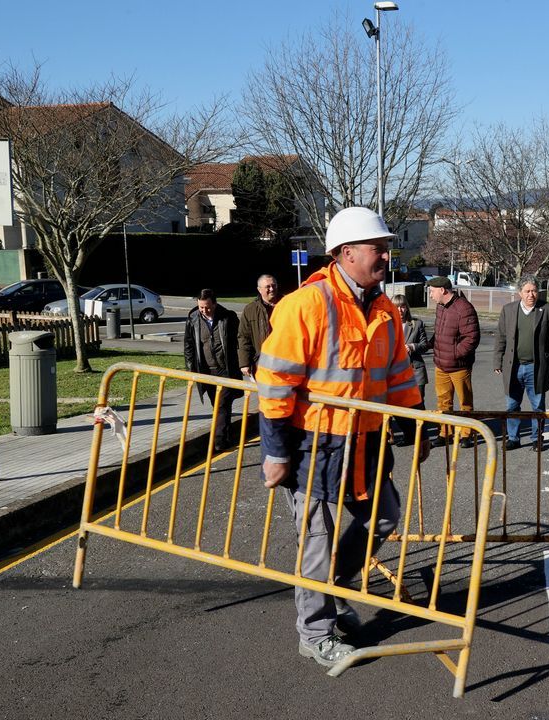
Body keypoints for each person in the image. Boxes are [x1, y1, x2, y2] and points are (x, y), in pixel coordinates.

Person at [256, 206, 428, 670]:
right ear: (346, 252)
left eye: (387, 248)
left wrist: (417, 428)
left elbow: (399, 378)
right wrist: (275, 452)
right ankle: (315, 634)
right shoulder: (306, 305)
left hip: (366, 444)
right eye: (378, 248)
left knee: (385, 515)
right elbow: (275, 384)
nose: (386, 256)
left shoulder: (385, 309)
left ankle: (331, 591)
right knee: (317, 541)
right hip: (314, 446)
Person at [494, 278, 549, 451]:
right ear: (520, 293)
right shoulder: (509, 310)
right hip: (513, 367)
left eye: (534, 291)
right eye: (527, 291)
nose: (531, 295)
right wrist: (497, 361)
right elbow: (501, 338)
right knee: (512, 405)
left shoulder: (547, 309)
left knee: (538, 406)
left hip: (536, 367)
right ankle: (513, 438)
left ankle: (537, 438)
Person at [182, 289, 242, 451]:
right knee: (217, 405)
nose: (204, 310)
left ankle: (218, 442)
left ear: (215, 304)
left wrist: (244, 362)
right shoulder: (193, 319)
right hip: (206, 371)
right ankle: (226, 436)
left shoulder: (228, 317)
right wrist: (191, 370)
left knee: (222, 404)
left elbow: (241, 339)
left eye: (207, 307)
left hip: (226, 369)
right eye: (201, 307)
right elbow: (188, 346)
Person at [426, 276, 480, 448]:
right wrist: (430, 345)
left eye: (432, 291)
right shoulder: (440, 307)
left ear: (442, 290)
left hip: (459, 366)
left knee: (465, 402)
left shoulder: (464, 308)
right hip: (440, 365)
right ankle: (445, 433)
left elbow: (471, 338)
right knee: (443, 401)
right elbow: (439, 333)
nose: (430, 295)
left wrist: (455, 354)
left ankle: (466, 434)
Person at [391, 294, 432, 445]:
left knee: (418, 405)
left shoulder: (416, 324)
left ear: (407, 308)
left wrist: (413, 346)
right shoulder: (387, 325)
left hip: (415, 371)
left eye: (402, 306)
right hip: (396, 374)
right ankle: (408, 435)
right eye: (396, 307)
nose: (400, 310)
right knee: (399, 407)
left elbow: (425, 345)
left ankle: (422, 437)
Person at [238, 274, 280, 379]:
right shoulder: (250, 310)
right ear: (259, 289)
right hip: (261, 364)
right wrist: (244, 363)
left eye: (273, 285)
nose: (272, 289)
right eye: (268, 287)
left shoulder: (288, 305)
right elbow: (244, 337)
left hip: (285, 363)